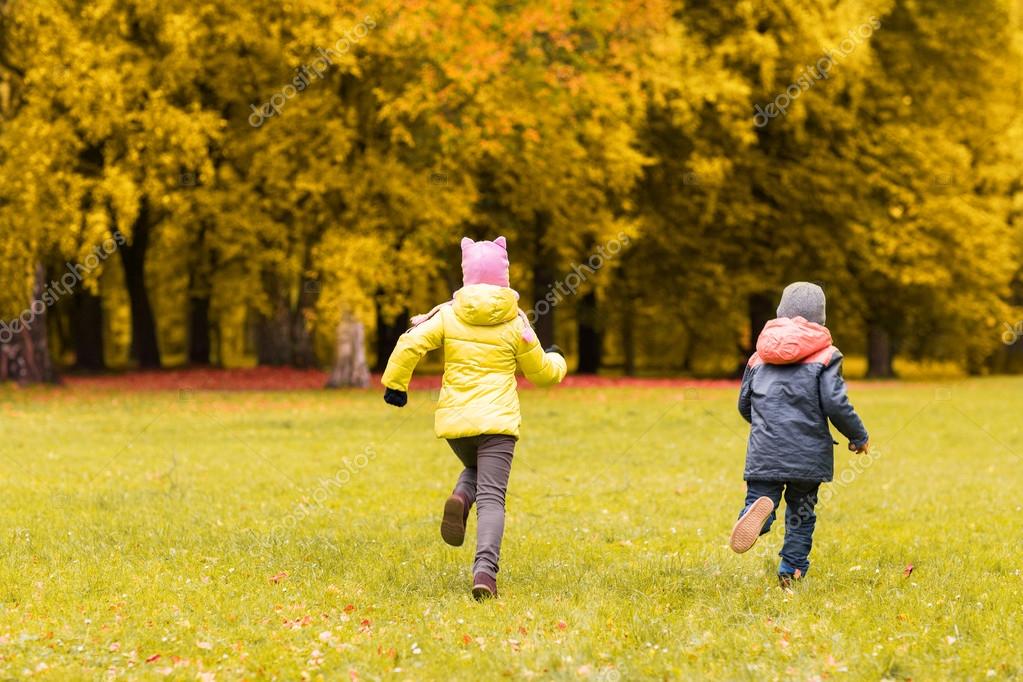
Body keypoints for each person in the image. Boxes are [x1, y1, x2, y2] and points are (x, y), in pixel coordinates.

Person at [381, 236, 567, 600]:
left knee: (476, 473)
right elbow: (541, 372)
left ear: (467, 274)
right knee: (493, 497)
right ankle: (485, 573)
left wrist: (396, 386)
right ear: (505, 275)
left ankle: (462, 497)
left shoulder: (448, 313)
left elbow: (410, 342)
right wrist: (558, 358)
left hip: (456, 425)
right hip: (497, 424)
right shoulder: (515, 321)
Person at [730, 282, 869, 588]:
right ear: (821, 318)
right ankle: (791, 570)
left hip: (765, 448)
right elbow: (835, 402)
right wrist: (858, 435)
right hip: (807, 452)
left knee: (760, 495)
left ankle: (759, 517)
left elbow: (744, 403)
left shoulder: (758, 356)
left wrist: (767, 425)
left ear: (781, 312)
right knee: (801, 513)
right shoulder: (826, 356)